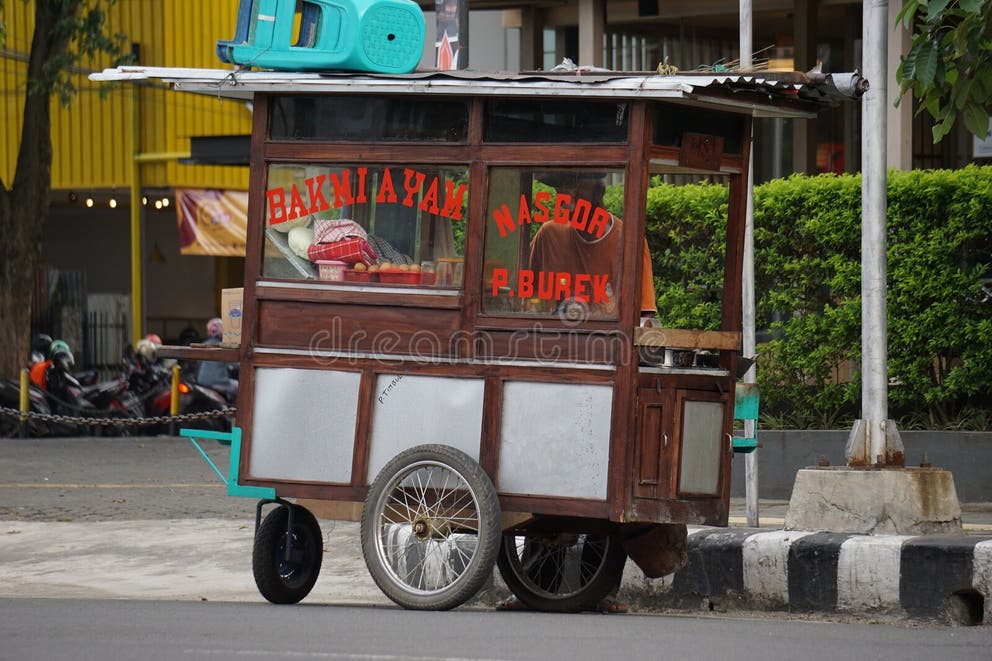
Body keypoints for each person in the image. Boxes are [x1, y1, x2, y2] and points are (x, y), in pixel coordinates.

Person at [528, 173, 657, 322]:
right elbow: (527, 298)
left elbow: (643, 317)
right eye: (560, 192)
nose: (565, 204)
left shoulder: (629, 242)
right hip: (553, 335)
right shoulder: (549, 235)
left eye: (574, 192)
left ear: (598, 192)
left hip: (606, 337)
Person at [196, 318, 237, 401]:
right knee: (240, 387)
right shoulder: (223, 347)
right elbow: (234, 364)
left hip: (202, 382)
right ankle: (237, 408)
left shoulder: (204, 345)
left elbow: (198, 362)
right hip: (219, 382)